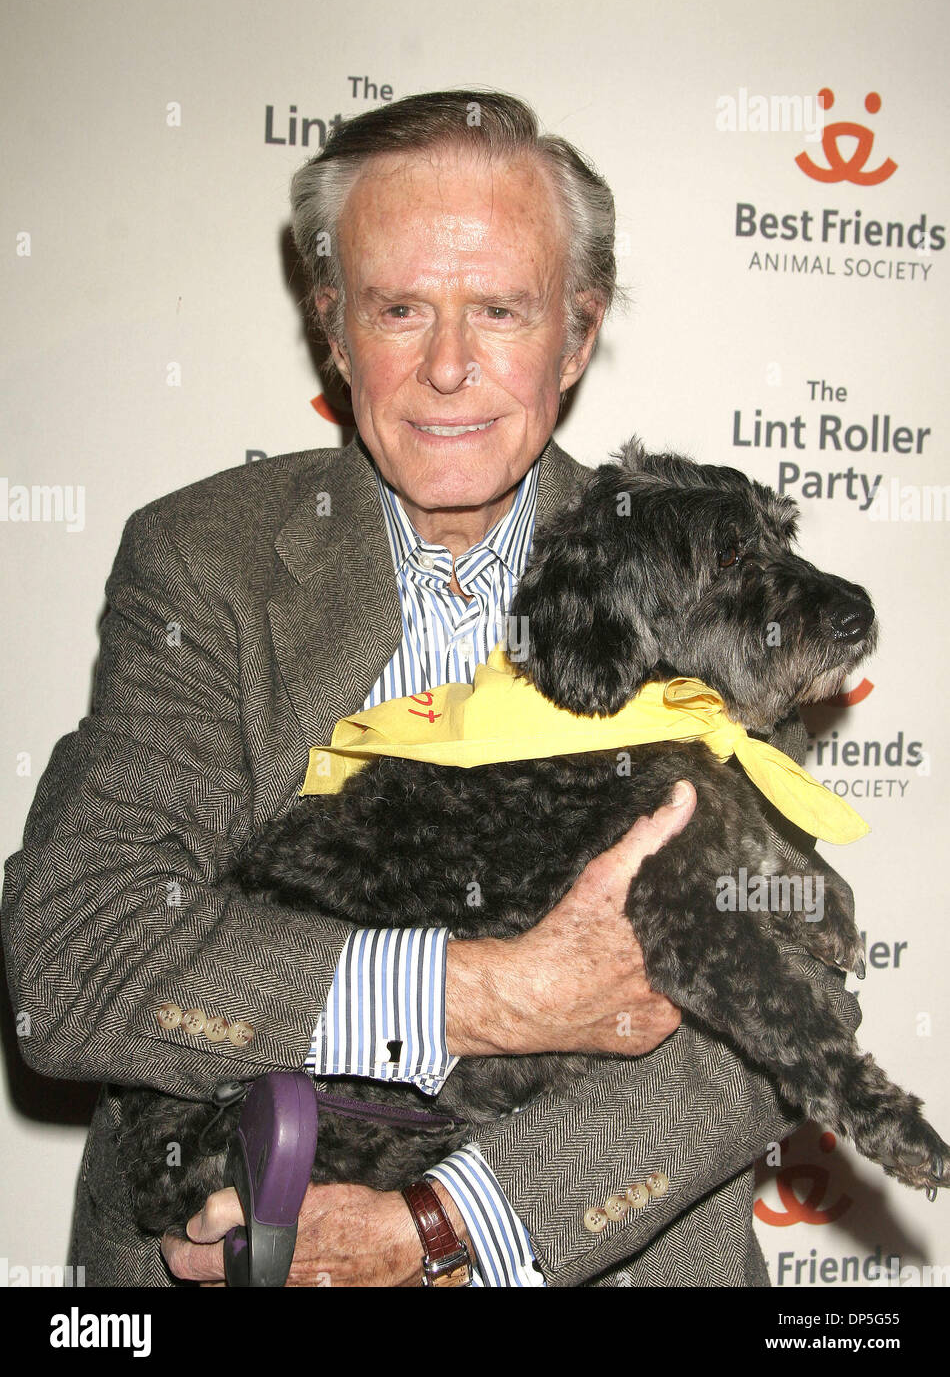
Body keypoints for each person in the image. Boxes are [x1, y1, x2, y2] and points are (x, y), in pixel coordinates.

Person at [1, 89, 858, 1287]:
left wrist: (441, 1228)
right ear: (335, 331)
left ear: (574, 333)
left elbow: (789, 986)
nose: (448, 367)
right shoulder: (202, 558)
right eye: (399, 309)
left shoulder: (683, 560)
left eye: (499, 311)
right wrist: (483, 993)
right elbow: (74, 955)